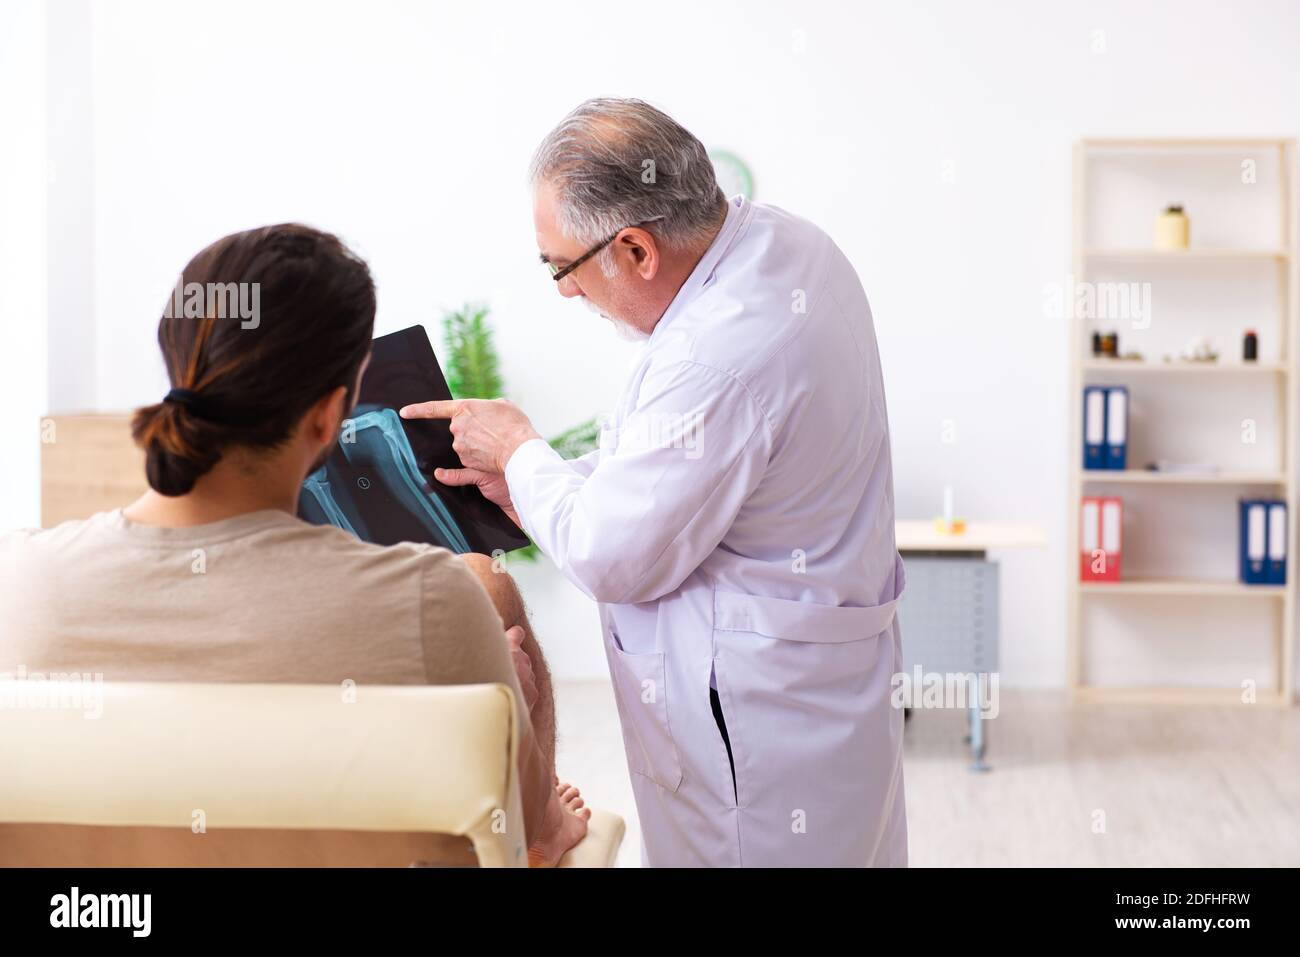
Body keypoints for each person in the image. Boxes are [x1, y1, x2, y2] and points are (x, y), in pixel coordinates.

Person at [401, 97, 909, 867]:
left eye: (561, 268)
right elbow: (697, 466)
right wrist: (541, 481)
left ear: (637, 249)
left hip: (757, 729)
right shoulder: (788, 245)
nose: (567, 292)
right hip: (820, 688)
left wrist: (523, 452)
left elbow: (615, 556)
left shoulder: (716, 353)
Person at [0, 223, 587, 866]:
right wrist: (511, 713)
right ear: (326, 414)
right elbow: (528, 826)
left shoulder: (18, 579)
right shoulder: (437, 601)